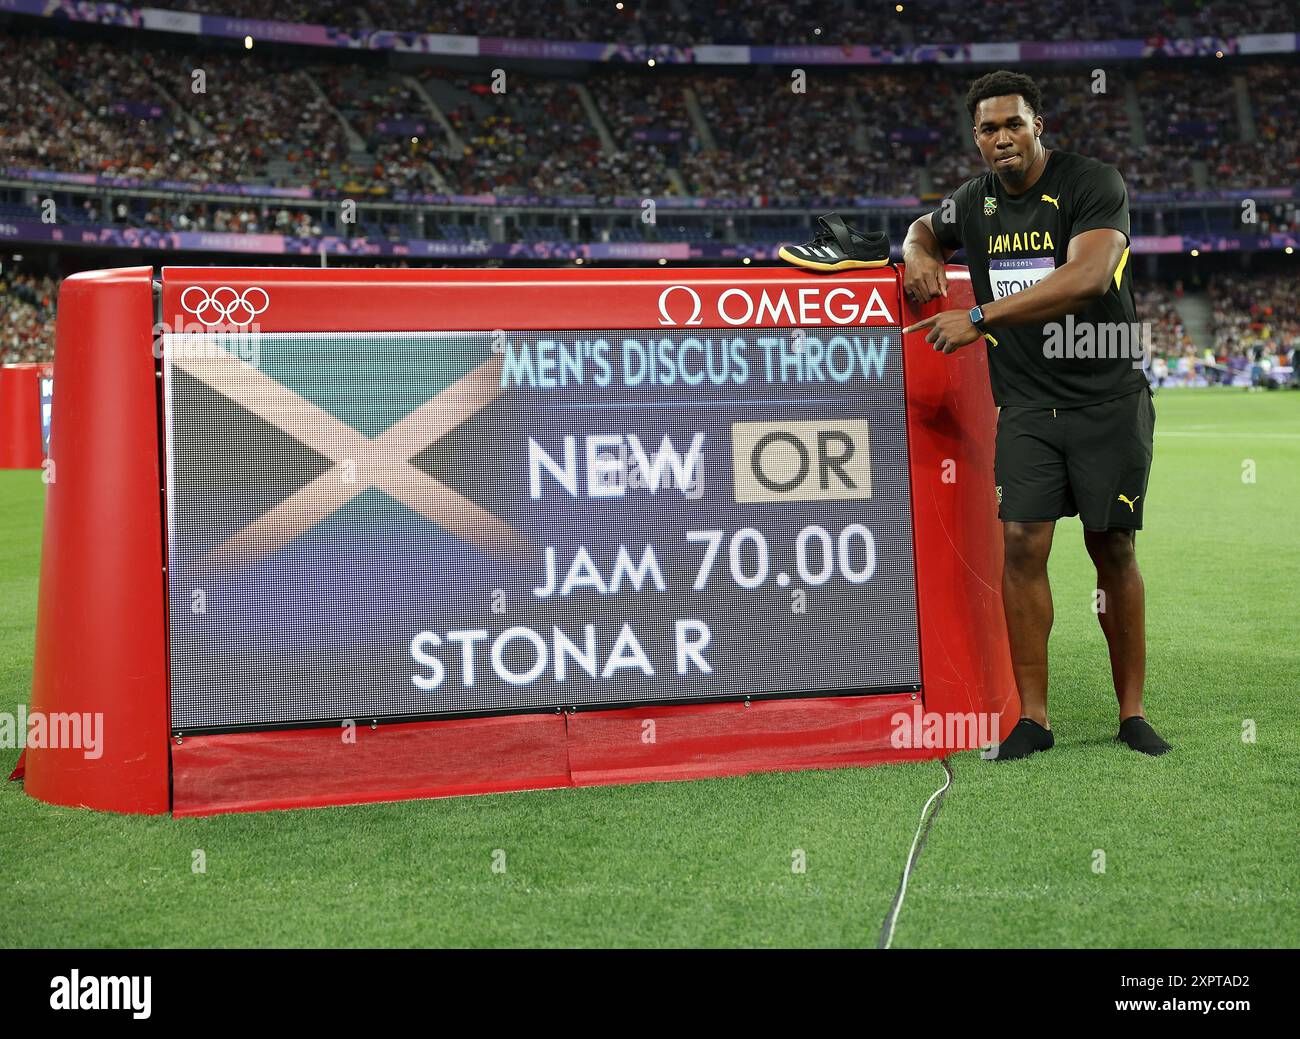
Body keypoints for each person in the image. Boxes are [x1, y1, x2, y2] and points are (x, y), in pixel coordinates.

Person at [901, 69, 1171, 760]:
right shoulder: (973, 202)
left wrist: (981, 315)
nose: (1002, 138)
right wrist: (917, 250)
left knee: (1112, 546)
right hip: (1025, 405)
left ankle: (1132, 713)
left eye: (1013, 123)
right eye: (988, 129)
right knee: (1022, 544)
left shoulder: (1091, 183)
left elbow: (1085, 277)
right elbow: (927, 229)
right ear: (977, 139)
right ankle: (1035, 719)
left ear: (1037, 126)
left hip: (1107, 396)